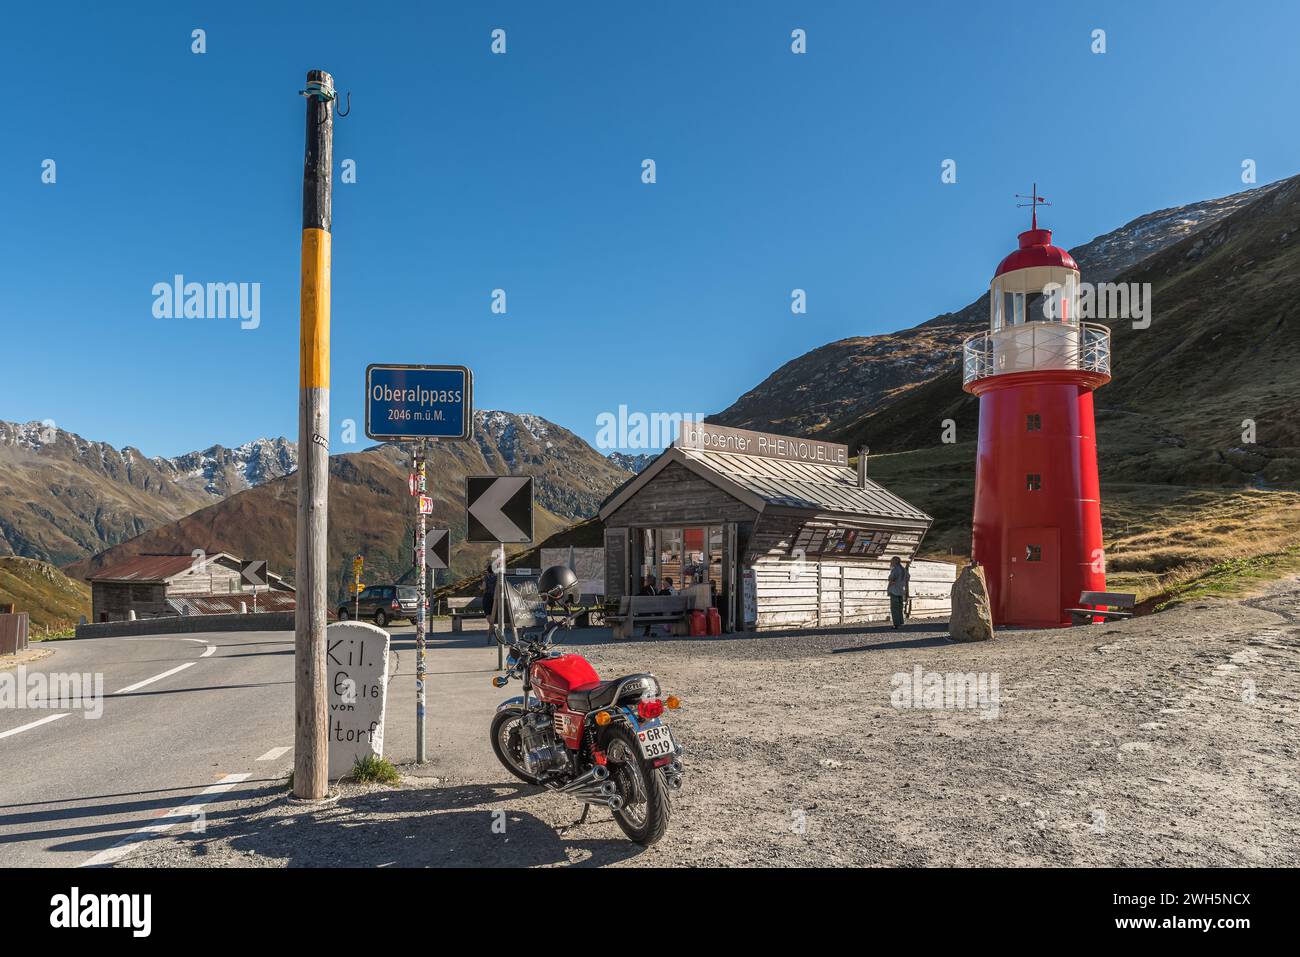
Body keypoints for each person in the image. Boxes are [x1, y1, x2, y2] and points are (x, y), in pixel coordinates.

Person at [887, 557, 910, 630]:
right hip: (901, 590)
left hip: (894, 590)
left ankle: (896, 624)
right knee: (900, 607)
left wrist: (890, 585)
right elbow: (908, 577)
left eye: (892, 561)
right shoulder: (904, 569)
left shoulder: (895, 569)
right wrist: (902, 583)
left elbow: (891, 578)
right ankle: (901, 622)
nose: (891, 562)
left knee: (894, 608)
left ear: (895, 561)